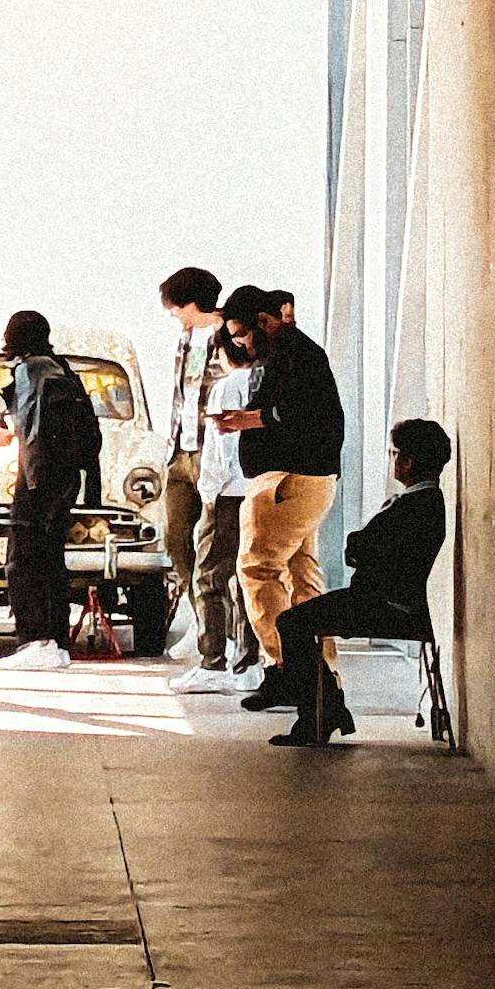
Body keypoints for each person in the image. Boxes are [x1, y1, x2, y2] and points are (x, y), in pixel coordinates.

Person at [269, 420, 452, 746]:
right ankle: (329, 708)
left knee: (291, 622)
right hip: (405, 608)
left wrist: (360, 544)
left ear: (406, 462)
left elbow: (359, 548)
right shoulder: (430, 502)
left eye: (394, 454)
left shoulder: (409, 505)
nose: (392, 460)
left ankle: (320, 716)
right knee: (299, 621)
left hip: (380, 605)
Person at [217, 282, 345, 710]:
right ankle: (323, 681)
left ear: (264, 321)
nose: (240, 343)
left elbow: (297, 413)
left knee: (256, 568)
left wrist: (248, 420)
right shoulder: (293, 352)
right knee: (302, 578)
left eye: (242, 333)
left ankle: (289, 670)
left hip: (287, 481)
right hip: (306, 479)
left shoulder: (292, 353)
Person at [0, 306, 103, 674]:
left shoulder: (29, 369)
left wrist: (27, 469)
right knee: (52, 559)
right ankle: (57, 642)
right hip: (66, 477)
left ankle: (34, 640)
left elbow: (33, 428)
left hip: (38, 477)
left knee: (23, 556)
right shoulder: (62, 368)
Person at [170, 296, 256, 691]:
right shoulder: (260, 382)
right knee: (244, 576)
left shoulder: (224, 389)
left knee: (209, 575)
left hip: (225, 494)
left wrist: (208, 492)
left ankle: (212, 661)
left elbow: (219, 453)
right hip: (253, 490)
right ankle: (250, 659)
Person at [155, 268, 223, 651]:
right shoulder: (185, 339)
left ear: (190, 302)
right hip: (180, 450)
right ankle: (203, 624)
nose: (173, 315)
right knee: (176, 537)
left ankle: (219, 634)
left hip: (211, 453)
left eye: (175, 307)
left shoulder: (228, 335)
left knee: (217, 546)